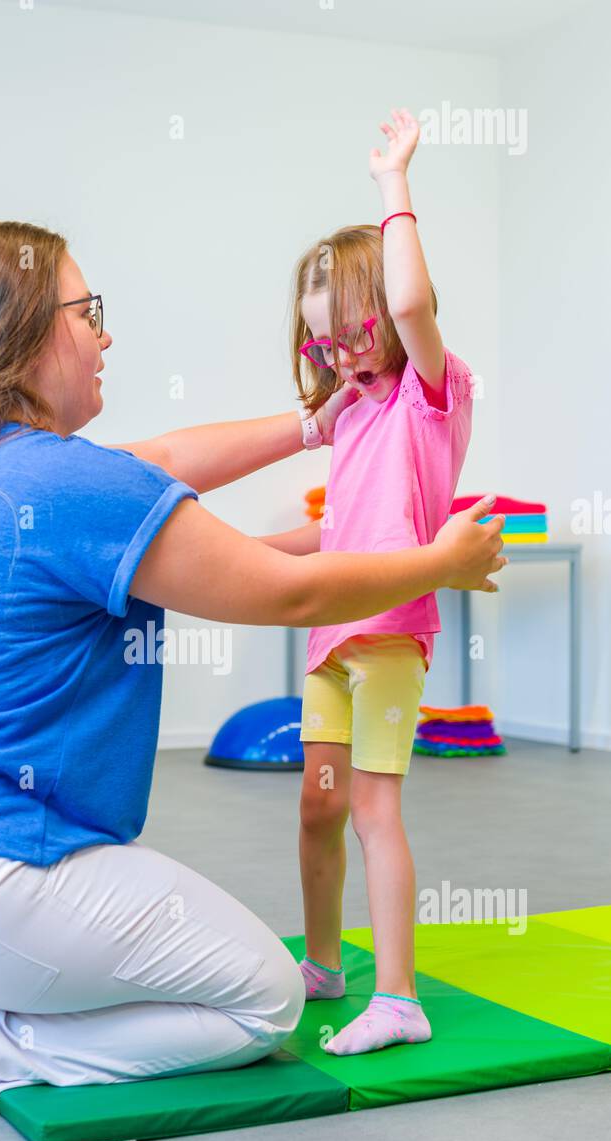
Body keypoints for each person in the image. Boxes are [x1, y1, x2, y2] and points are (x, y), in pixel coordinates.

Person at [0, 217, 504, 1123]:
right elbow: (291, 594)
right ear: (31, 334)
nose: (105, 335)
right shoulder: (69, 487)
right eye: (88, 313)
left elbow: (161, 465)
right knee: (262, 1002)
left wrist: (316, 424)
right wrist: (441, 563)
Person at [290, 107, 477, 1055]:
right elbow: (328, 538)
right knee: (318, 803)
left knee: (372, 809)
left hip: (392, 637)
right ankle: (325, 963)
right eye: (325, 343)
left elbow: (409, 308)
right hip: (330, 638)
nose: (346, 353)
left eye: (355, 331)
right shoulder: (353, 416)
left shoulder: (429, 396)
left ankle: (397, 997)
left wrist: (392, 183)